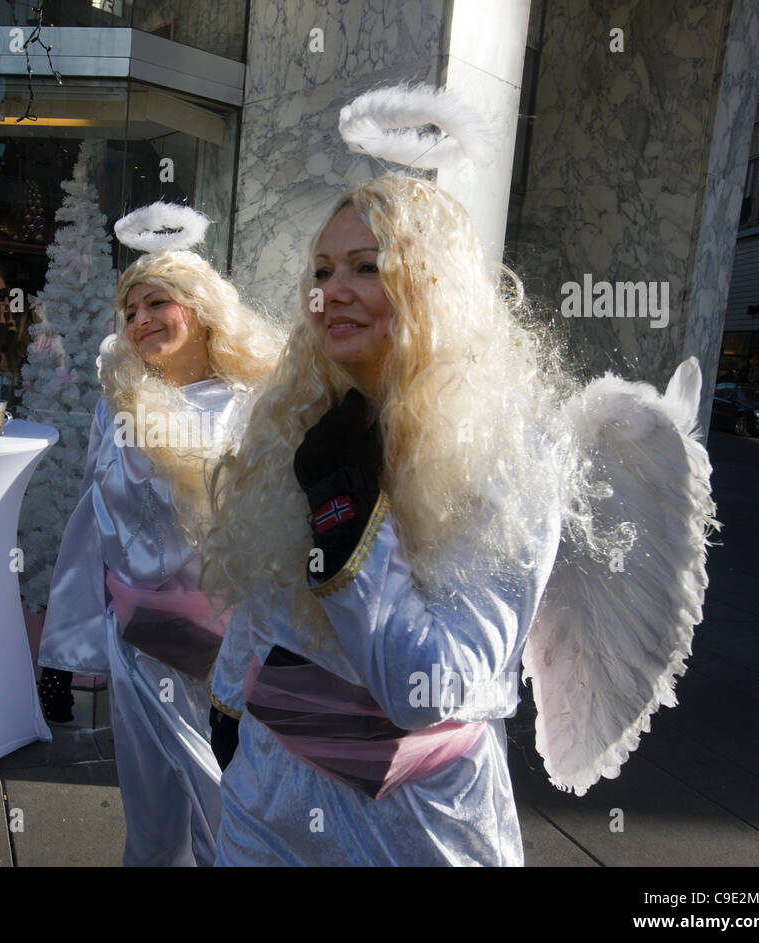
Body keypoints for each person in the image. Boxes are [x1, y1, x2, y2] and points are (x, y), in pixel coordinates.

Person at [202, 175, 598, 865]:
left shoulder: (507, 456)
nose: (332, 290)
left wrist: (351, 524)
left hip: (410, 822)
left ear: (434, 286)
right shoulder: (294, 416)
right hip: (266, 802)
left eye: (368, 267)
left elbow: (433, 686)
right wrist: (229, 703)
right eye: (322, 270)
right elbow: (263, 605)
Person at [37, 246, 280, 866]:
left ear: (199, 309)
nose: (139, 318)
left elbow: (276, 534)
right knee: (151, 814)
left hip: (223, 655)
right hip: (139, 647)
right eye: (129, 309)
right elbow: (92, 521)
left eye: (156, 302)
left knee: (227, 803)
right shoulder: (117, 405)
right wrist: (67, 646)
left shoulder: (255, 406)